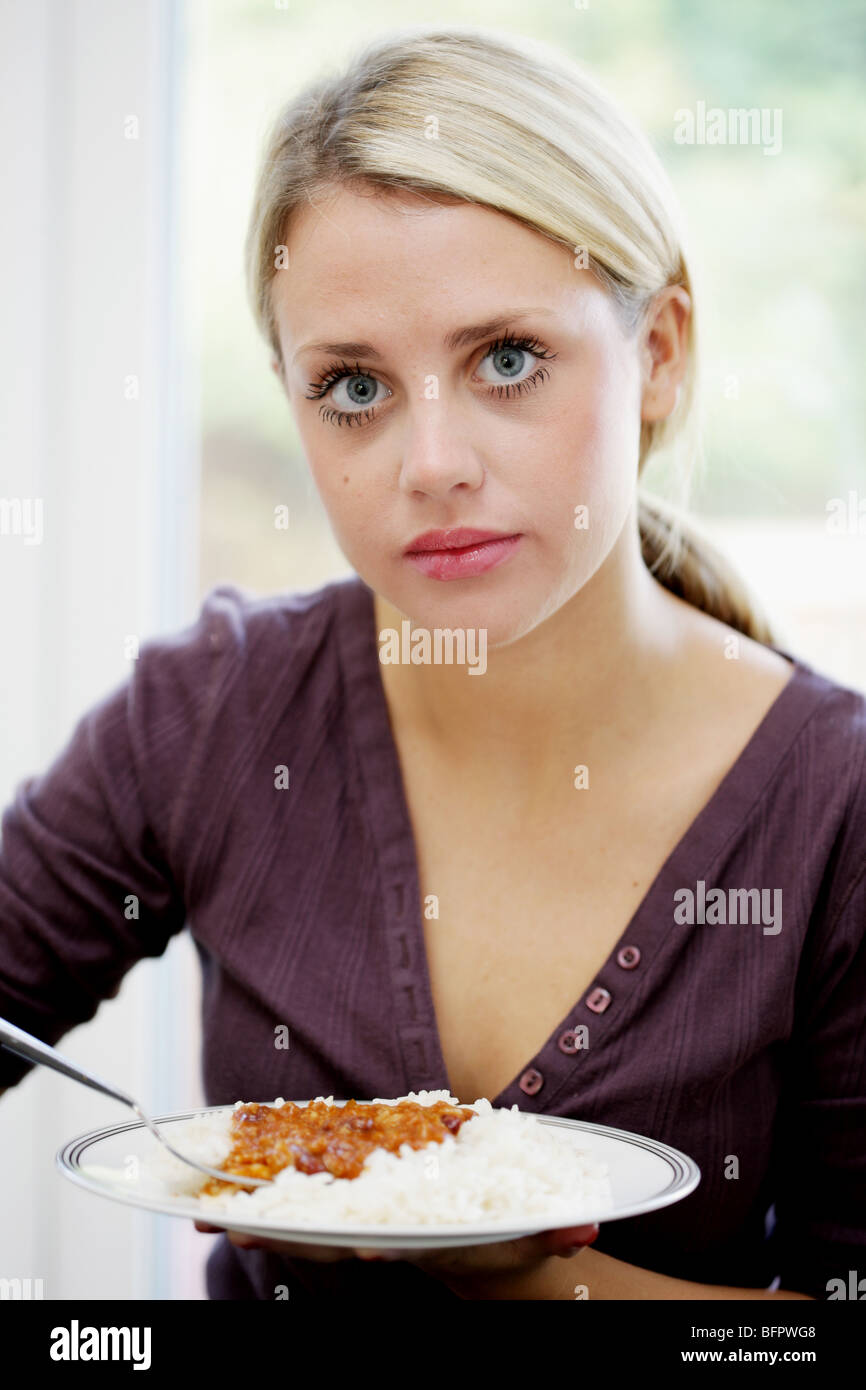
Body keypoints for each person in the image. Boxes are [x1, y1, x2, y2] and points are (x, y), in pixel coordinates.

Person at [1, 25, 864, 1302]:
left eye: (506, 360)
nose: (430, 464)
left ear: (659, 353)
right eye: (352, 386)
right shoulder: (211, 715)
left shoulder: (832, 807)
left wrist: (508, 1267)